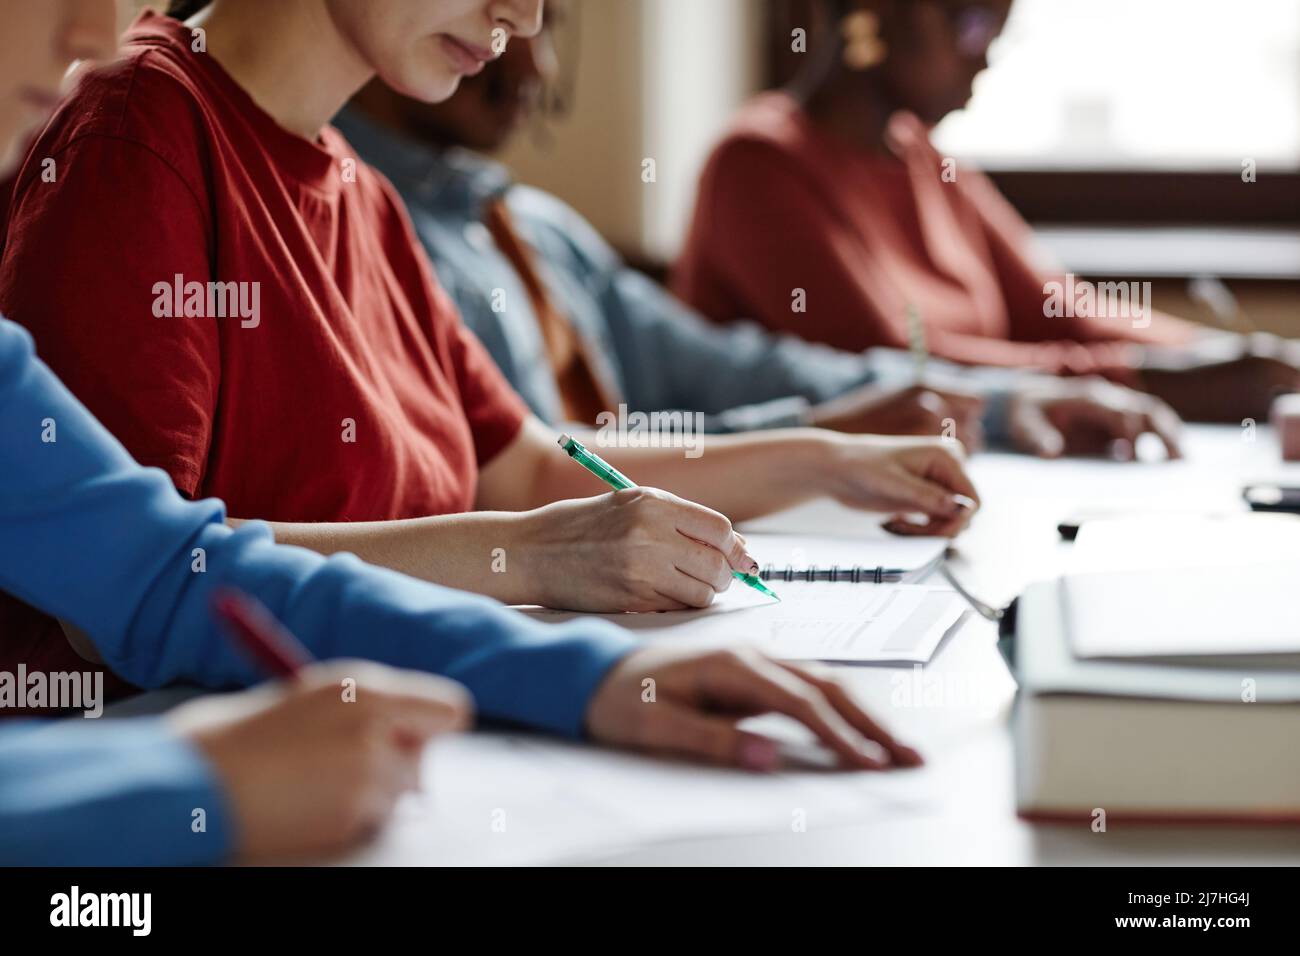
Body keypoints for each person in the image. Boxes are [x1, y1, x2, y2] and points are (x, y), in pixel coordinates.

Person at [0, 0, 920, 867]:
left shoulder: (364, 191)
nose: (523, 19)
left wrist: (592, 675)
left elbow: (515, 463)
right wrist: (522, 561)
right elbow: (130, 597)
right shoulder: (133, 133)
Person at [338, 1, 1184, 462]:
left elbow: (733, 368)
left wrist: (996, 405)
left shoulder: (535, 228)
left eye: (550, 21)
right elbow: (530, 471)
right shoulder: (364, 227)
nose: (534, 56)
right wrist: (815, 437)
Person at [673, 0, 1300, 424]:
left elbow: (1065, 308)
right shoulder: (756, 166)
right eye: (971, 22)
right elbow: (897, 370)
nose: (986, 54)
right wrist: (1153, 380)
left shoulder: (924, 160)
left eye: (1001, 28)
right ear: (879, 12)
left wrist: (1245, 354)